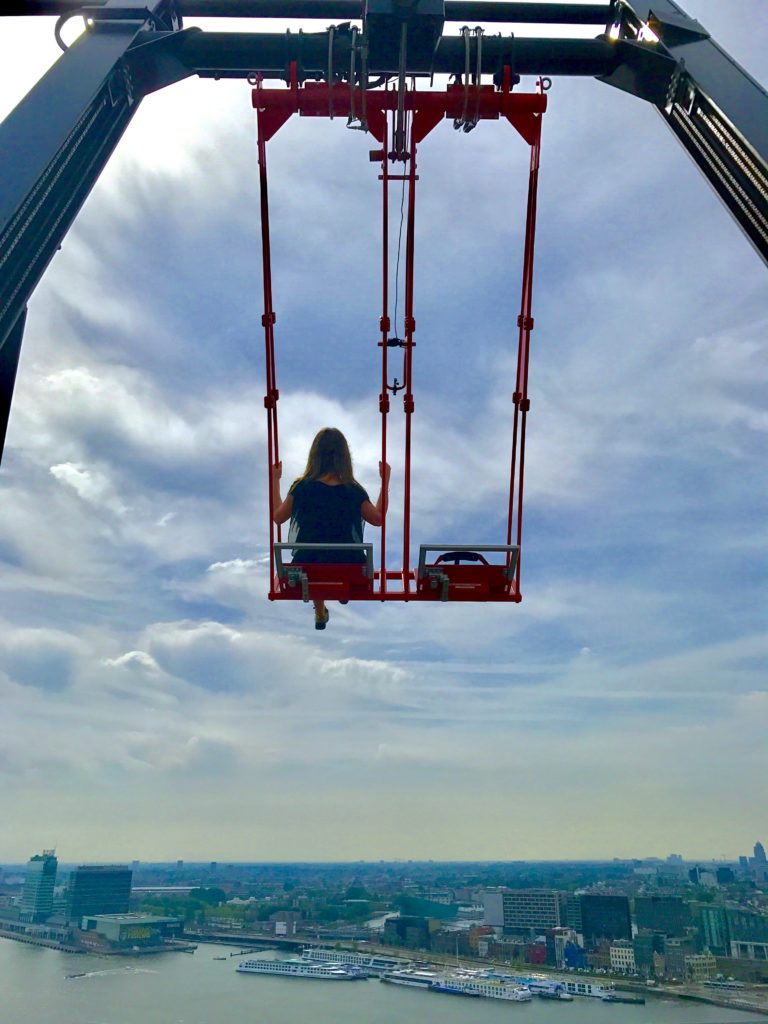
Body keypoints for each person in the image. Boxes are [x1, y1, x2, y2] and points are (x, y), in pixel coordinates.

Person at [271, 428, 390, 630]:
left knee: (315, 557)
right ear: (344, 458)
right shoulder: (352, 490)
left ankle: (320, 610)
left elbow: (278, 517)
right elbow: (378, 519)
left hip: (308, 563)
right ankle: (342, 592)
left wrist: (274, 480)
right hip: (348, 563)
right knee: (335, 556)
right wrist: (384, 483)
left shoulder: (302, 487)